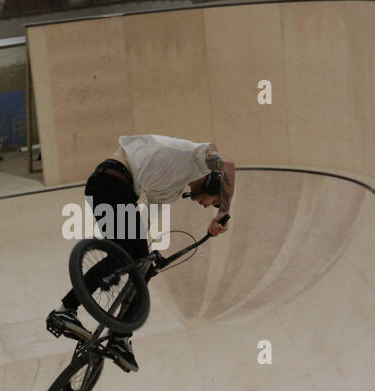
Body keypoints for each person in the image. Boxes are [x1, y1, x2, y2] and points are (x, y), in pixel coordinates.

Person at [46, 135, 235, 373]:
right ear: (212, 183)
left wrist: (148, 257)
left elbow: (144, 219)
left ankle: (114, 334)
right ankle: (71, 315)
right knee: (126, 258)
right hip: (112, 180)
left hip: (109, 188)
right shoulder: (199, 159)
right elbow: (229, 165)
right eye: (213, 201)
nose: (207, 206)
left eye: (214, 207)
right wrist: (224, 211)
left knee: (135, 263)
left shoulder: (172, 190)